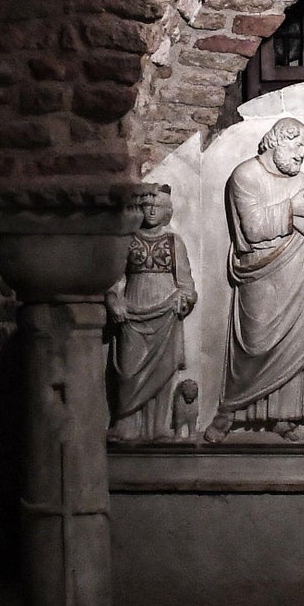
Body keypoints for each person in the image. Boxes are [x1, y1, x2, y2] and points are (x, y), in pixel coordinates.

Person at [211, 117, 304, 440]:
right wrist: (293, 210)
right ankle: (231, 410)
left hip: (298, 271)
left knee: (296, 343)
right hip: (260, 270)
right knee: (255, 343)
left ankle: (284, 415)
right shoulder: (246, 175)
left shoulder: (301, 180)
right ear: (278, 139)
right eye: (296, 149)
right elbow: (252, 227)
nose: (300, 157)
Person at [106, 185, 196, 441]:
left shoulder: (173, 242)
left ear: (168, 211)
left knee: (163, 370)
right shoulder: (127, 240)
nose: (152, 211)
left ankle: (159, 425)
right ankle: (125, 423)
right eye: (147, 206)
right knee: (127, 370)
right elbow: (114, 279)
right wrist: (113, 300)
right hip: (132, 312)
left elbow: (187, 285)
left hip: (165, 311)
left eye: (158, 207)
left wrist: (184, 299)